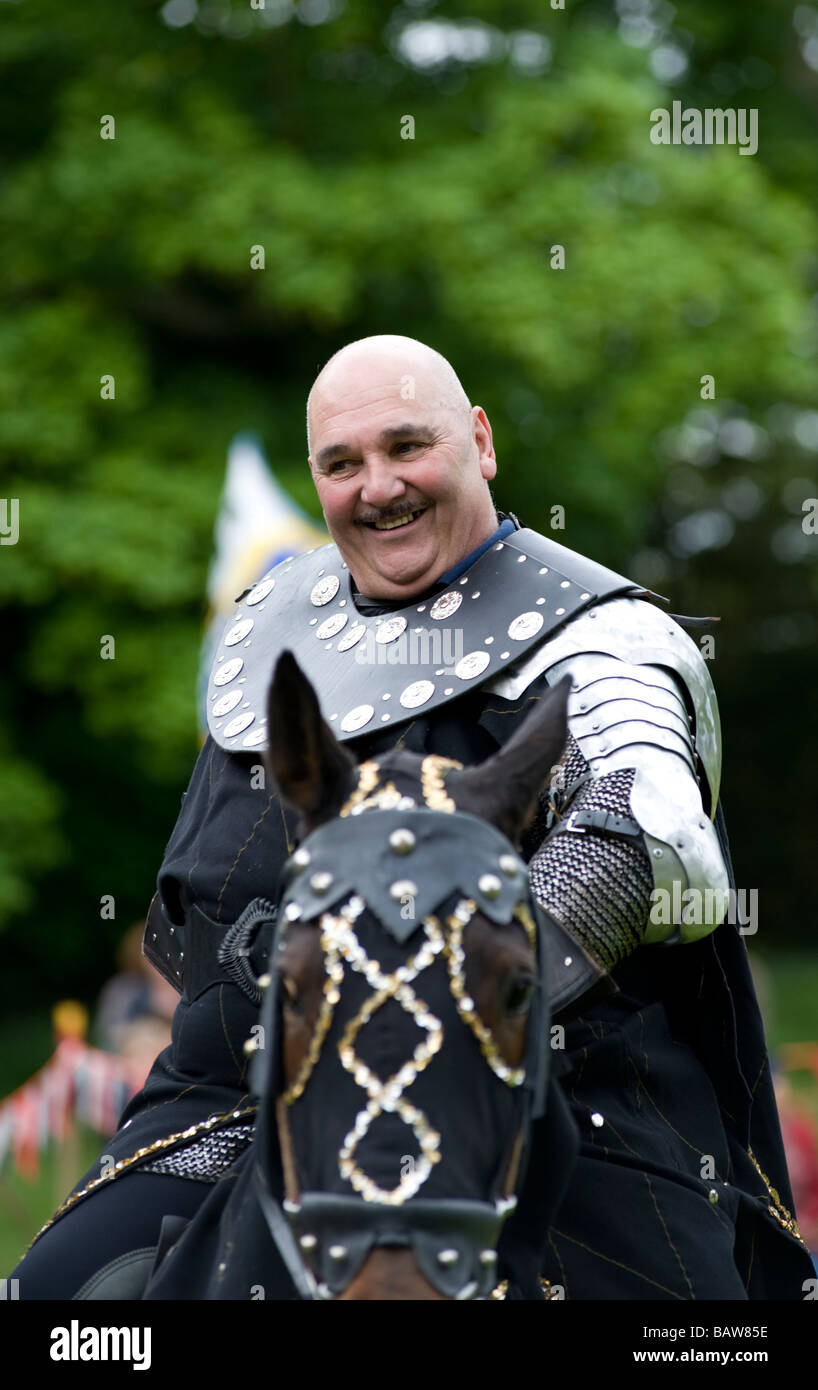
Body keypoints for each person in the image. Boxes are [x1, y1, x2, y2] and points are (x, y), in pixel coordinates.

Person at [11, 335, 812, 1299]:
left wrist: (439, 989)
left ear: (479, 440)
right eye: (342, 464)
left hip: (550, 1110)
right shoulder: (270, 625)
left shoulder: (603, 636)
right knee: (64, 1298)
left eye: (406, 447)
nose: (378, 486)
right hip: (235, 1106)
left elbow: (645, 843)